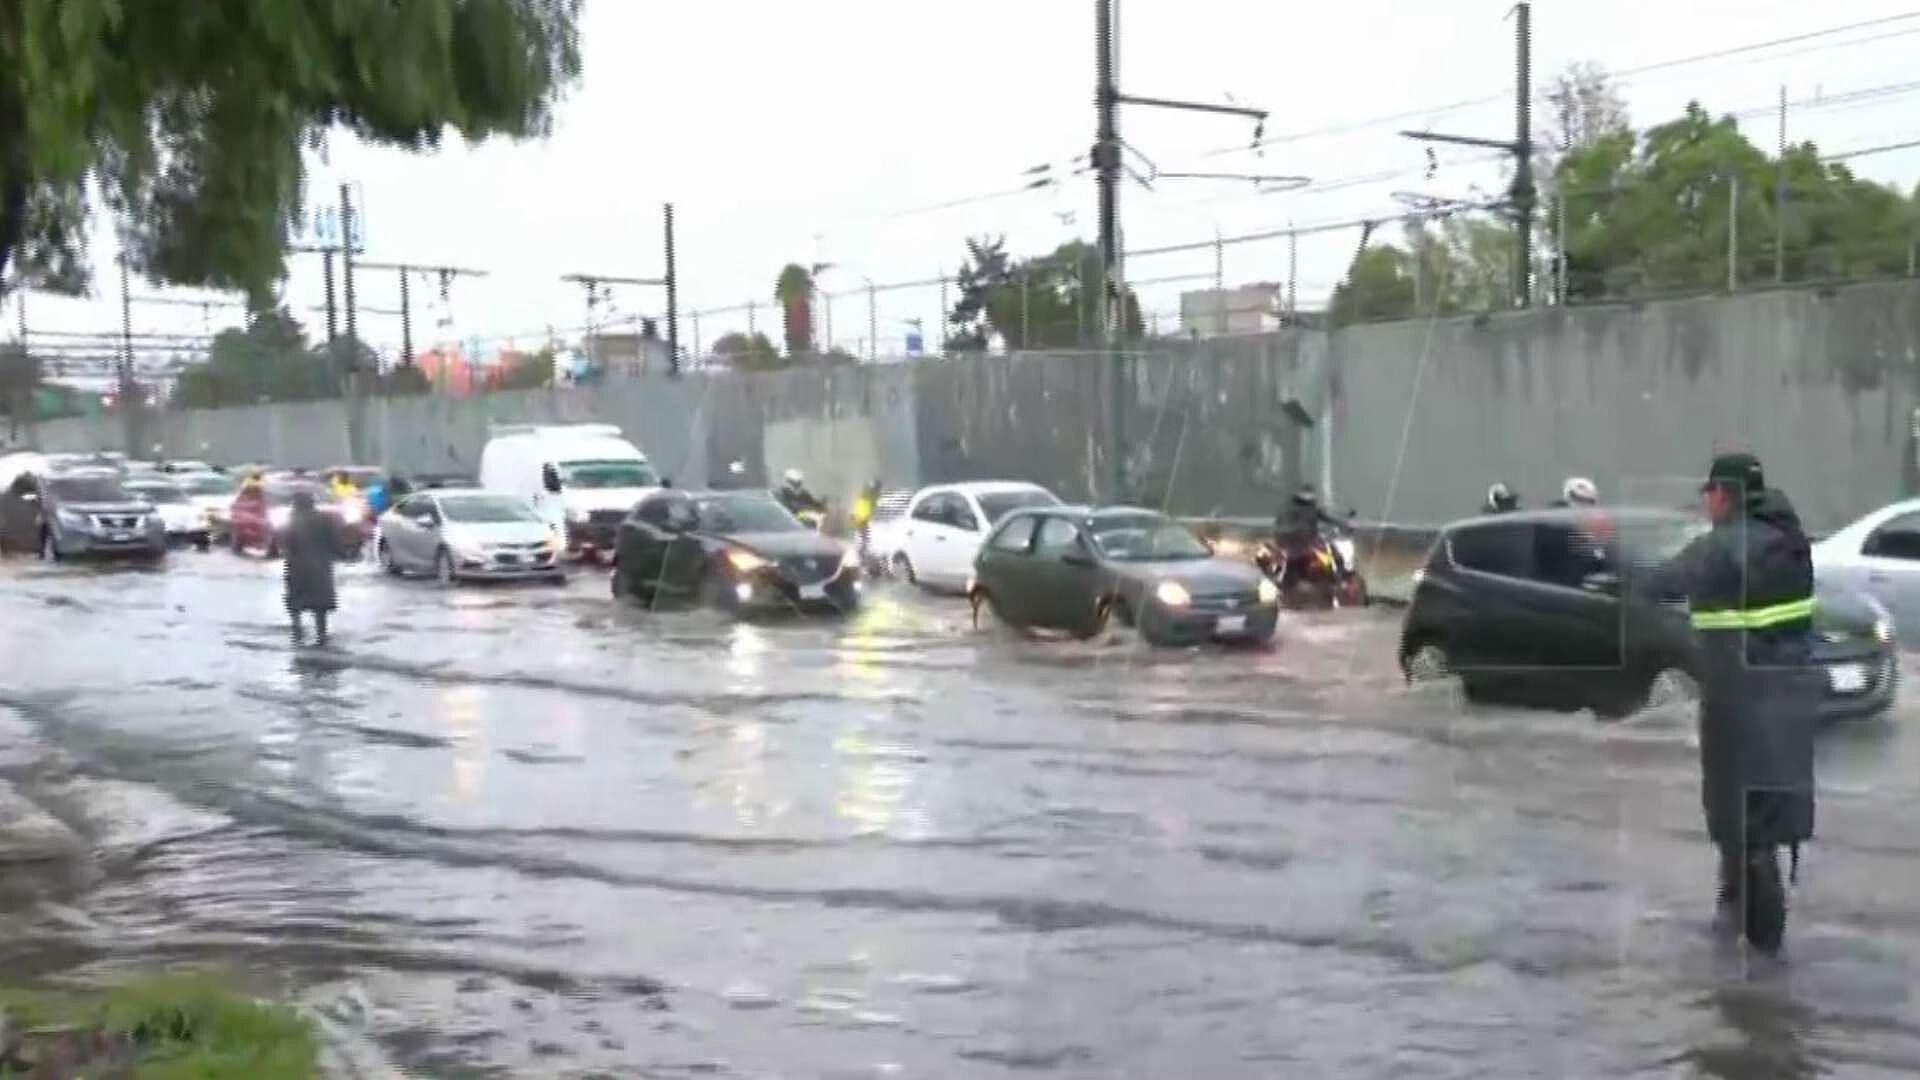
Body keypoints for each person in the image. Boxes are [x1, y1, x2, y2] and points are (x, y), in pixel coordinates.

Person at [1641, 452, 1817, 957]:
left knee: (1743, 826)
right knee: (1763, 821)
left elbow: (1660, 583)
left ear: (1725, 494)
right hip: (1788, 699)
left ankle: (1761, 965)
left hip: (1740, 704)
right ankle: (1745, 940)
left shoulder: (1725, 547)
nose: (1705, 501)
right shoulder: (1791, 542)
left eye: (1709, 492)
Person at [282, 488, 340, 645]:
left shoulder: (293, 520)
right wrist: (338, 554)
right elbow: (334, 541)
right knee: (320, 604)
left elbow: (286, 543)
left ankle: (297, 630)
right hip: (320, 566)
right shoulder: (324, 519)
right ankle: (321, 633)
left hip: (297, 566)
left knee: (296, 600)